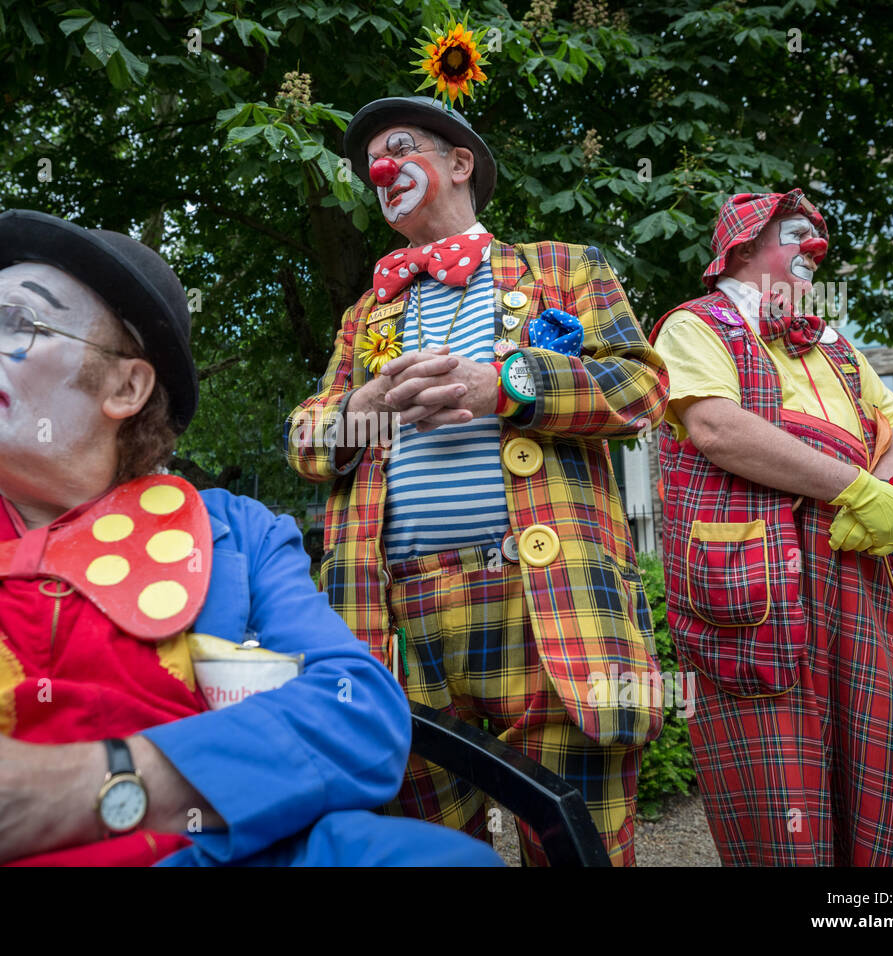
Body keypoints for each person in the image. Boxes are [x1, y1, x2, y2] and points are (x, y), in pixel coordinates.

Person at [0, 209, 501, 867]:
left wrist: (83, 785)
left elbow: (357, 715)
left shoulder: (237, 538)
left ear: (126, 385)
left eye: (18, 324)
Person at [284, 96, 668, 866]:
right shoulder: (367, 314)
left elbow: (641, 391)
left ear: (460, 162)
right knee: (424, 852)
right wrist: (363, 408)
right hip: (397, 616)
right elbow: (306, 440)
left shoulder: (565, 267)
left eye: (398, 149)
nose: (380, 171)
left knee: (576, 843)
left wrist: (512, 387)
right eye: (370, 168)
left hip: (547, 603)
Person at [648, 189, 893, 865]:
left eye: (817, 237)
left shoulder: (838, 343)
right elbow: (717, 427)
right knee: (778, 776)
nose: (814, 248)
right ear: (744, 246)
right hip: (757, 586)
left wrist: (892, 492)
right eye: (794, 235)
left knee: (880, 756)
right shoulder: (694, 326)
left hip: (858, 564)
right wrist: (856, 487)